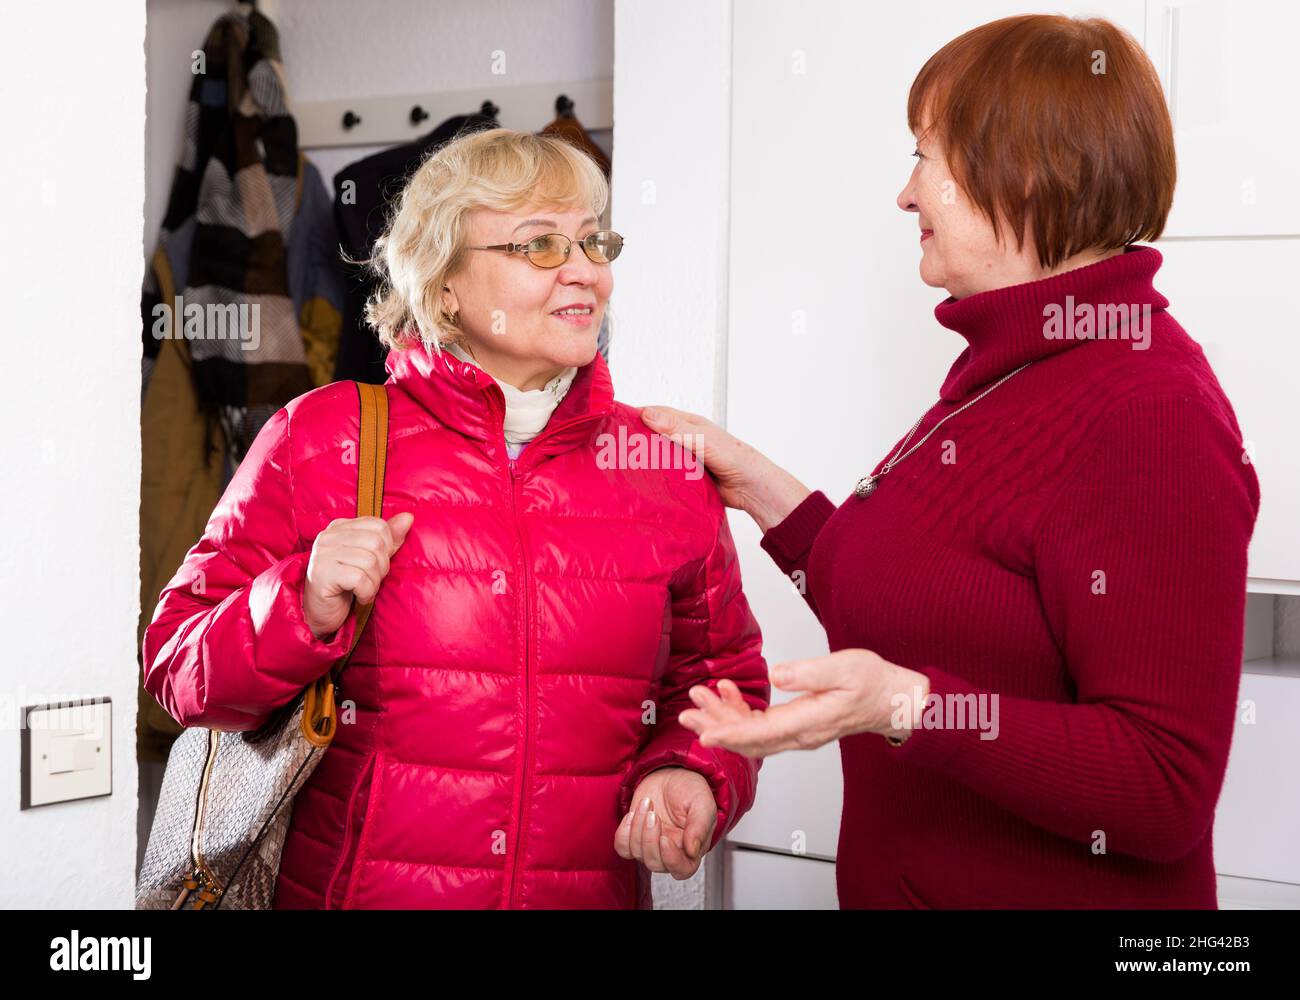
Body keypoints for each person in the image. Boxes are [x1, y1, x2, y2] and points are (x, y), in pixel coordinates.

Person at [642, 14, 1259, 908]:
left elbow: (1163, 787)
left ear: (1028, 169)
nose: (905, 194)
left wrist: (907, 707)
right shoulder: (1013, 364)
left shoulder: (1148, 414)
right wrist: (758, 484)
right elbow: (922, 598)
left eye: (924, 156)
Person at [142, 128, 770, 909]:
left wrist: (694, 770)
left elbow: (723, 680)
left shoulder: (661, 465)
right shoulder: (325, 436)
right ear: (444, 285)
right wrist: (298, 601)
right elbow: (178, 669)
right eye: (538, 246)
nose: (583, 272)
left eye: (593, 241)